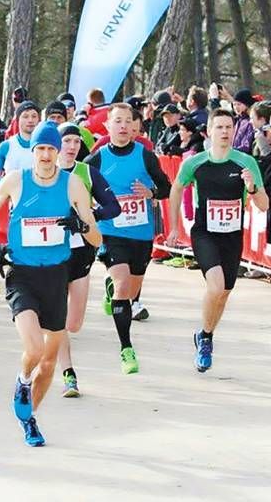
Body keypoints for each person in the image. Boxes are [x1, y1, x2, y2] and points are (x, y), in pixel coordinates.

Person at [0, 121, 101, 446]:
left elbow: (96, 236)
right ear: (33, 151)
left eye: (51, 149)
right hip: (21, 273)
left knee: (49, 362)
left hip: (56, 275)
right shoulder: (16, 180)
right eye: (41, 149)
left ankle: (29, 420)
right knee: (33, 348)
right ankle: (21, 381)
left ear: (58, 151)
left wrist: (79, 225)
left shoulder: (73, 184)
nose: (46, 155)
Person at [167, 109, 269, 372]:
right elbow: (177, 187)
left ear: (234, 131)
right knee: (215, 286)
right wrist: (175, 227)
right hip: (204, 233)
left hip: (233, 236)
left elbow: (264, 205)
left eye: (229, 127)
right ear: (209, 131)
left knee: (223, 294)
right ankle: (206, 343)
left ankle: (205, 334)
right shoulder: (195, 163)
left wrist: (252, 188)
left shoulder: (246, 163)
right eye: (219, 127)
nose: (225, 132)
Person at [84, 103, 171, 374]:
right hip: (111, 232)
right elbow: (79, 187)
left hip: (140, 234)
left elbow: (166, 187)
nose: (122, 126)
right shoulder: (96, 160)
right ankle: (126, 348)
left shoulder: (145, 156)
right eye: (116, 121)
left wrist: (151, 192)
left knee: (131, 292)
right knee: (123, 286)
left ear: (135, 127)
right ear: (107, 127)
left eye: (127, 122)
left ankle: (116, 294)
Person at [55, 123, 120, 398]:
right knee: (56, 320)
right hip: (52, 252)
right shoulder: (45, 173)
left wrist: (89, 217)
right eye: (66, 141)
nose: (72, 147)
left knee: (74, 324)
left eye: (76, 142)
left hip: (81, 251)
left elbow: (113, 207)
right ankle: (69, 374)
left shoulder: (87, 173)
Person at [0, 101, 40, 189]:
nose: (30, 120)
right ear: (18, 120)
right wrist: (3, 191)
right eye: (25, 116)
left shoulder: (45, 146)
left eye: (34, 116)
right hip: (14, 199)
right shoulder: (6, 146)